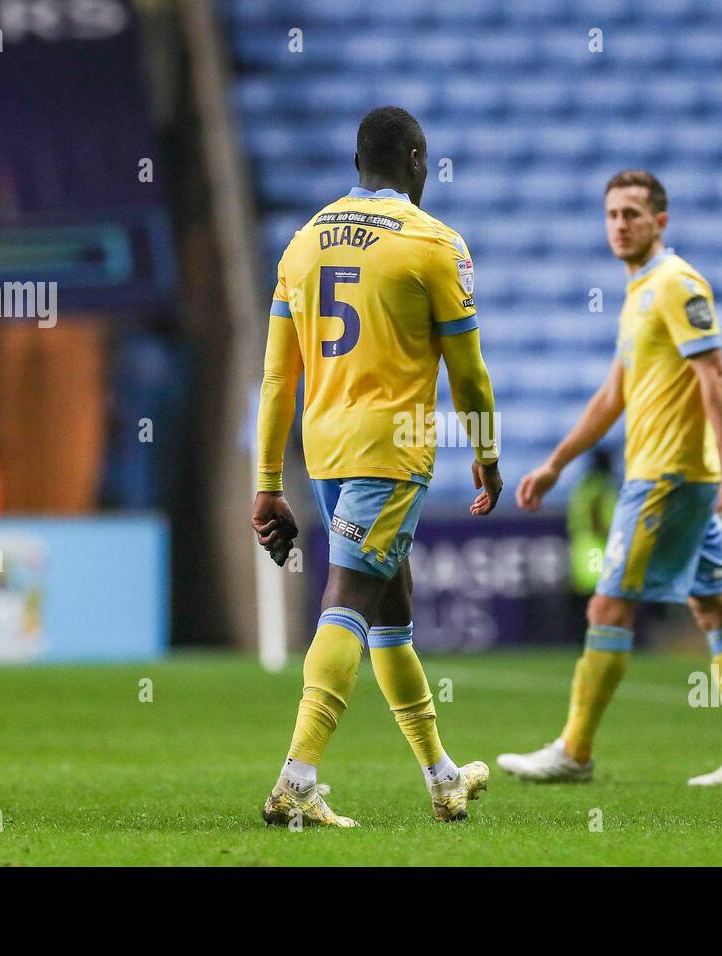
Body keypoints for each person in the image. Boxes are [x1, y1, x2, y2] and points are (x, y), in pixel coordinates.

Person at [253, 106, 502, 827]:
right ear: (417, 160)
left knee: (392, 608)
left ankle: (442, 775)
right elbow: (471, 375)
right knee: (350, 601)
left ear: (356, 164)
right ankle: (297, 779)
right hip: (392, 450)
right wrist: (486, 453)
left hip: (325, 446)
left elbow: (275, 380)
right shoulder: (433, 243)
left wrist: (269, 483)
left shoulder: (302, 244)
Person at [497, 170, 722, 787]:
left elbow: (715, 375)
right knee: (712, 604)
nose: (620, 225)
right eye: (612, 215)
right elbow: (614, 394)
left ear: (660, 221)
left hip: (667, 477)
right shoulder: (638, 294)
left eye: (632, 213)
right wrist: (556, 463)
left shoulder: (677, 285)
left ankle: (574, 750)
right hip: (670, 475)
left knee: (607, 604)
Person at [566, 447, 619, 619]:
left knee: (584, 594)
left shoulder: (582, 486)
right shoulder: (602, 486)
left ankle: (580, 635)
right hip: (598, 547)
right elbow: (600, 517)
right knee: (599, 592)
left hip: (580, 545)